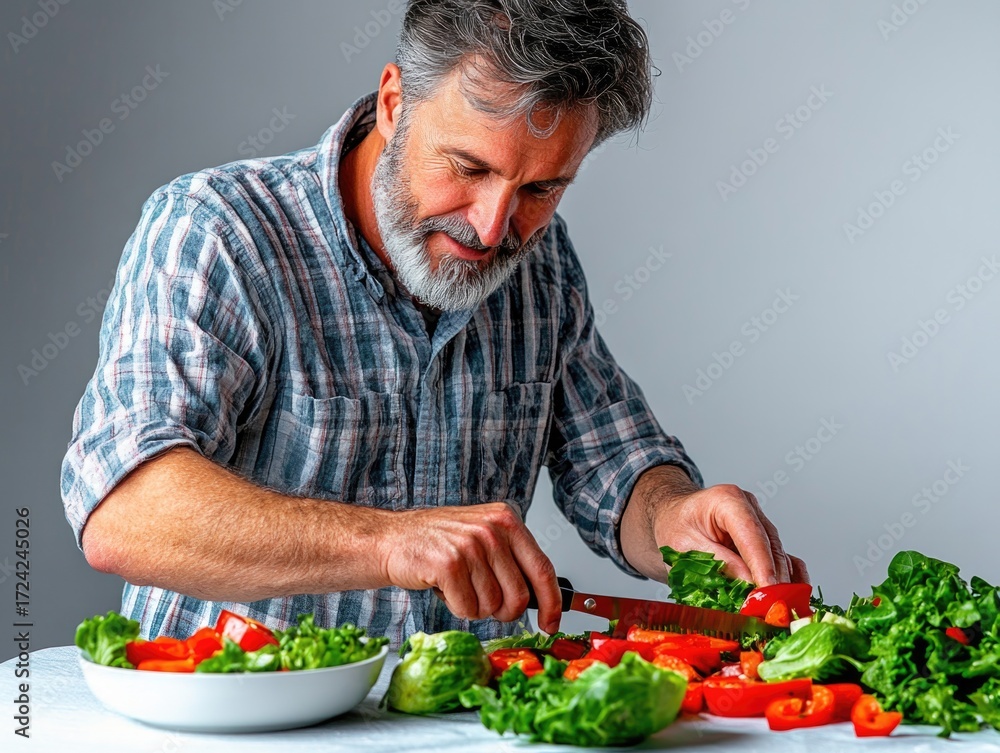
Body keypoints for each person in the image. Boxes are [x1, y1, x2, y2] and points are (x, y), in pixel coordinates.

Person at [61, 0, 807, 646]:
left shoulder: (538, 263)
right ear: (393, 104)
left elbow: (615, 469)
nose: (493, 227)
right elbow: (126, 509)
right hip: (235, 728)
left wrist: (678, 515)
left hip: (463, 729)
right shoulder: (220, 232)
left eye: (543, 186)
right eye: (470, 167)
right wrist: (390, 541)